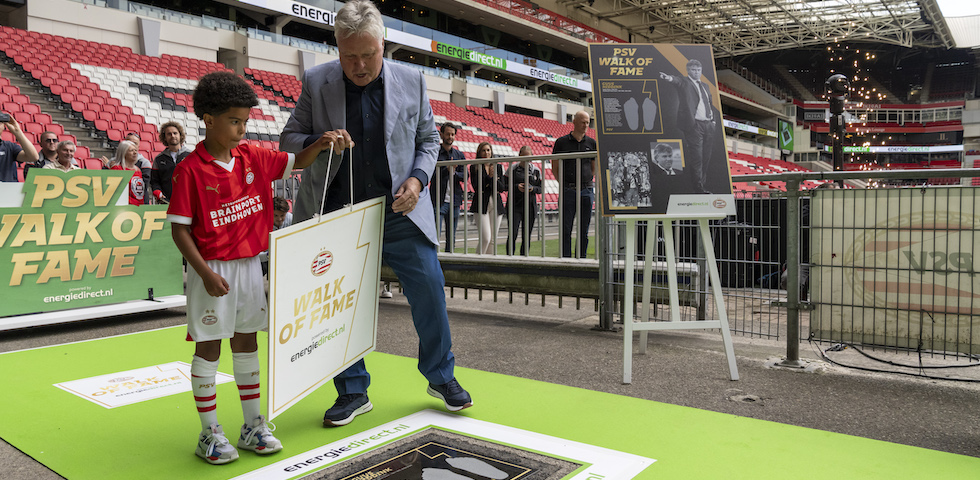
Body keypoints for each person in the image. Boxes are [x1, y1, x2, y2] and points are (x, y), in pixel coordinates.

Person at [280, 0, 472, 428]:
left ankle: (441, 377)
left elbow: (428, 141)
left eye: (369, 54)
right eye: (350, 56)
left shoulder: (413, 79)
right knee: (339, 306)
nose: (360, 65)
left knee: (430, 290)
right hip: (338, 214)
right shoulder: (316, 80)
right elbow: (289, 140)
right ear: (337, 47)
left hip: (401, 211)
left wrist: (418, 181)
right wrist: (320, 139)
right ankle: (352, 391)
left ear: (383, 44)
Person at [167, 71, 346, 465]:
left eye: (246, 121)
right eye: (234, 120)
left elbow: (297, 160)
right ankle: (209, 433)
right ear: (209, 119)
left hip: (250, 267)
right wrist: (204, 273)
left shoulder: (253, 156)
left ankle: (251, 426)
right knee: (209, 348)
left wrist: (321, 142)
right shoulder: (190, 170)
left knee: (247, 344)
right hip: (211, 270)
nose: (241, 128)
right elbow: (180, 232)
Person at [659, 59, 719, 193]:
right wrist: (668, 78)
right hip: (694, 125)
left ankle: (702, 185)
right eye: (693, 70)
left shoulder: (705, 85)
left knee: (706, 157)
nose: (696, 72)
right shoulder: (685, 82)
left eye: (698, 70)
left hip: (708, 124)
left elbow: (709, 103)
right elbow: (676, 81)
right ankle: (698, 188)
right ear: (688, 71)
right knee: (697, 157)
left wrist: (713, 121)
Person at [551, 110, 596, 258]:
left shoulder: (591, 143)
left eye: (588, 122)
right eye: (583, 122)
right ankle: (565, 260)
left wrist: (587, 181)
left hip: (586, 190)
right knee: (566, 228)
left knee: (584, 229)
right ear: (574, 122)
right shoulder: (561, 142)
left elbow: (593, 167)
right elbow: (555, 167)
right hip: (568, 190)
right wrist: (565, 184)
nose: (585, 125)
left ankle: (581, 259)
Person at [431, 123, 465, 253]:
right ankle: (434, 262)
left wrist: (454, 173)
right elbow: (432, 174)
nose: (450, 137)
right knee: (435, 236)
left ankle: (450, 262)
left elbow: (464, 176)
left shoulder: (459, 155)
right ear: (441, 135)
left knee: (452, 237)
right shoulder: (434, 153)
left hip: (455, 201)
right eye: (448, 134)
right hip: (438, 201)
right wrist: (447, 169)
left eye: (452, 134)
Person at [504, 146, 542, 255]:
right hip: (514, 206)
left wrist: (532, 189)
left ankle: (524, 258)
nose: (526, 159)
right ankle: (509, 258)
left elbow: (540, 189)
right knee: (513, 234)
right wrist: (517, 187)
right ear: (519, 155)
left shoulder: (536, 170)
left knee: (527, 235)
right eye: (524, 156)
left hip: (530, 206)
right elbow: (504, 186)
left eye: (528, 157)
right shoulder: (512, 168)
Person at [469, 142, 505, 255]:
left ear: (491, 152)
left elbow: (502, 187)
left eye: (488, 150)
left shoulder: (498, 166)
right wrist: (490, 178)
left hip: (496, 203)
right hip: (480, 203)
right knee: (486, 238)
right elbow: (477, 186)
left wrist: (492, 180)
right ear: (479, 152)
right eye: (483, 150)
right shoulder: (475, 167)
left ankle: (489, 264)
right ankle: (476, 262)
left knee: (493, 240)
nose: (486, 153)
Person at [151, 121, 192, 203]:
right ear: (165, 138)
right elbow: (154, 181)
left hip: (189, 202)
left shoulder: (191, 156)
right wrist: (157, 191)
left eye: (175, 133)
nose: (172, 136)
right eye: (169, 134)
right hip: (166, 203)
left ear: (180, 135)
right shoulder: (159, 159)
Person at [101, 140, 145, 206]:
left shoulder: (138, 170)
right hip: (125, 208)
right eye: (131, 150)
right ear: (123, 153)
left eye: (136, 150)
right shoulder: (117, 169)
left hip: (139, 207)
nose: (135, 153)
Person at [0, 114, 40, 182]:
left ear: (4, 125)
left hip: (7, 191)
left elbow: (33, 157)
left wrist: (17, 132)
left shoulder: (9, 147)